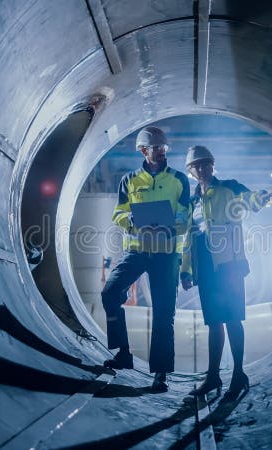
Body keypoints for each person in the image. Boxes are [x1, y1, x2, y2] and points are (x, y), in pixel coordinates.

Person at [180, 145, 272, 397]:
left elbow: (249, 199)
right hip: (206, 268)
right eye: (197, 165)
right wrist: (186, 271)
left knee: (233, 319)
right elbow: (188, 239)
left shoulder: (229, 187)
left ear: (213, 165)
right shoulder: (191, 201)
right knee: (214, 323)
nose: (202, 169)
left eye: (206, 163)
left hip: (230, 266)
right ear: (191, 170)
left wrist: (260, 198)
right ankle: (213, 377)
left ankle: (238, 374)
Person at [101, 126, 191, 392]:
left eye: (164, 148)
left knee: (164, 313)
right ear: (143, 150)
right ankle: (123, 352)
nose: (162, 152)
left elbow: (185, 217)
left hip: (166, 255)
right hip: (137, 251)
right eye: (157, 148)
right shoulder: (129, 180)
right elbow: (118, 213)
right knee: (110, 292)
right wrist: (128, 220)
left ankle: (161, 373)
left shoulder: (179, 180)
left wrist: (169, 227)